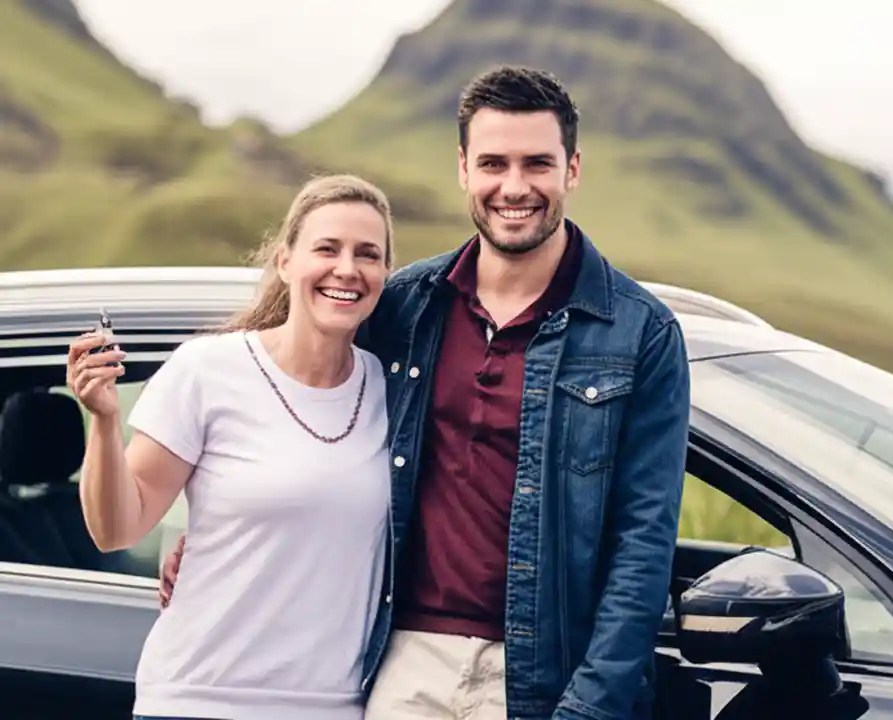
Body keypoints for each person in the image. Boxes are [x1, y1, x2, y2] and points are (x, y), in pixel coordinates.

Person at [158, 65, 692, 720]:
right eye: (493, 163)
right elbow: (283, 401)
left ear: (572, 169)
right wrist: (195, 530)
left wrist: (590, 706)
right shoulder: (406, 306)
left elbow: (644, 542)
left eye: (537, 164)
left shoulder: (640, 333)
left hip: (542, 679)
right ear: (464, 168)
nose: (514, 187)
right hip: (400, 664)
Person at [70, 174, 398, 720]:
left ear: (386, 274)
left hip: (333, 707)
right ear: (286, 260)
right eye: (327, 248)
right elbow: (115, 530)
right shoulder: (207, 369)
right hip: (197, 700)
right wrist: (104, 421)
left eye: (368, 254)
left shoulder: (394, 390)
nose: (347, 268)